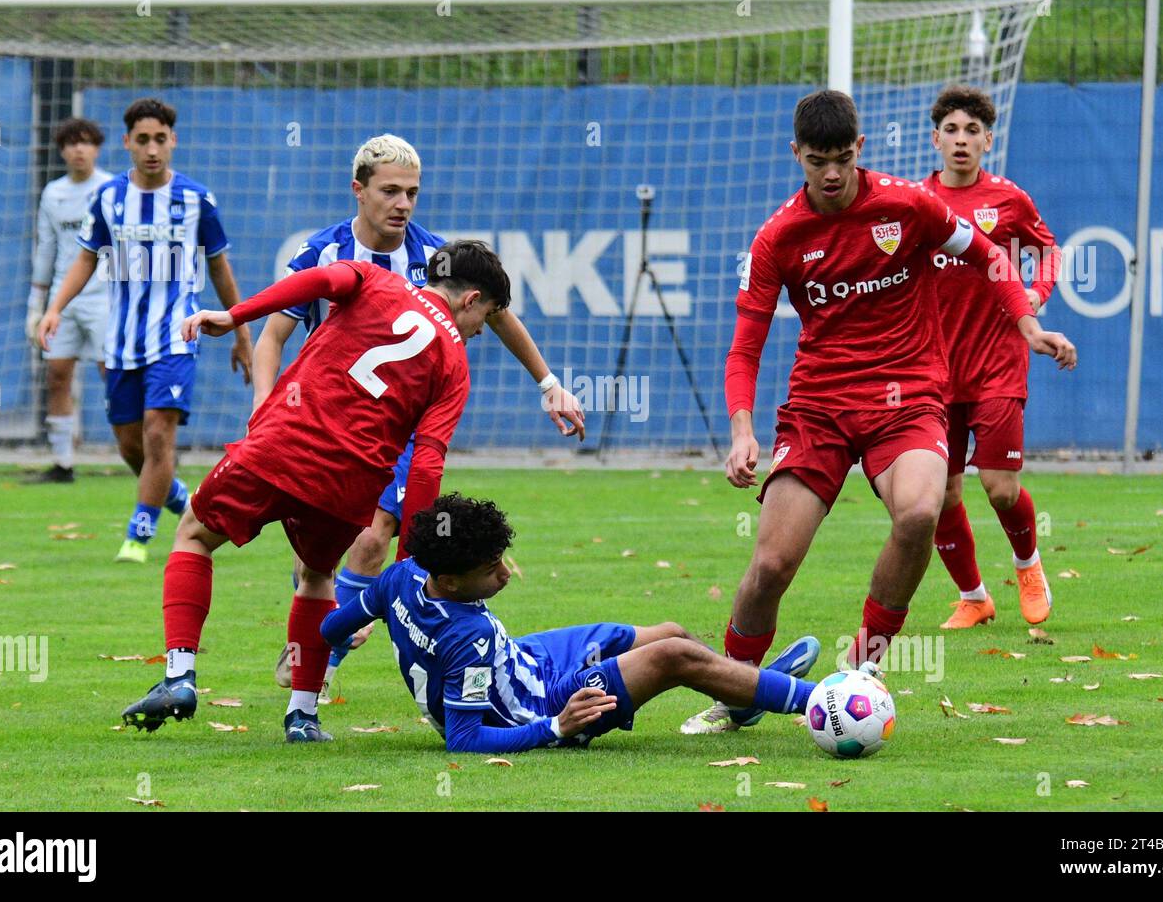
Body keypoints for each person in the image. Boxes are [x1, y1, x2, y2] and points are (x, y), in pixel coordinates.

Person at [682, 89, 1077, 735]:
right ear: (797, 156)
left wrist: (1028, 324)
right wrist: (742, 429)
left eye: (842, 158)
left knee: (920, 511)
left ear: (860, 148)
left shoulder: (907, 204)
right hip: (819, 408)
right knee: (773, 565)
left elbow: (989, 256)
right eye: (817, 161)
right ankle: (735, 689)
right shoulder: (779, 236)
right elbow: (744, 344)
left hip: (908, 398)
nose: (831, 174)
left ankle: (863, 670)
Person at [120, 241, 510, 743]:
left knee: (194, 534)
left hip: (285, 444)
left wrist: (236, 315)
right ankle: (302, 715)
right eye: (488, 317)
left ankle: (179, 675)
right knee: (319, 577)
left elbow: (318, 282)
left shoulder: (377, 280)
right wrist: (415, 561)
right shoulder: (454, 364)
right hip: (351, 483)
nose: (480, 331)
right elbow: (427, 465)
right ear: (470, 299)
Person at [257, 134, 585, 698]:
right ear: (359, 191)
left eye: (412, 192)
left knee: (376, 532)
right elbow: (271, 335)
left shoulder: (438, 260)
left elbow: (497, 312)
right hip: (330, 427)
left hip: (404, 429)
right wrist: (265, 410)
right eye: (391, 191)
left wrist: (549, 383)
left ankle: (324, 658)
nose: (403, 204)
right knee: (319, 562)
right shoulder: (323, 253)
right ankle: (322, 634)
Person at [321, 493, 827, 753]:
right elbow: (464, 740)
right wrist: (557, 726)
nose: (505, 575)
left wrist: (349, 635)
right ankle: (818, 700)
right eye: (490, 569)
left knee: (670, 631)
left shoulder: (402, 576)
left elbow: (330, 628)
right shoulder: (467, 639)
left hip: (526, 660)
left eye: (503, 559)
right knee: (673, 656)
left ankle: (741, 697)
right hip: (545, 702)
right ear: (450, 582)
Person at [36, 97, 254, 563]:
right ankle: (179, 500)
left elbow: (220, 268)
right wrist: (55, 307)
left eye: (160, 139)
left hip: (176, 336)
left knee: (159, 436)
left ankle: (138, 536)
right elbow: (85, 257)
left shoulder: (196, 199)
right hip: (121, 341)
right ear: (127, 144)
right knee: (131, 445)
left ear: (173, 141)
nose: (152, 149)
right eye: (142, 140)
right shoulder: (110, 198)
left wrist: (240, 330)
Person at [923, 85, 1061, 629]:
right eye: (951, 131)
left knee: (1000, 488)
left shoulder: (1008, 199)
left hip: (998, 362)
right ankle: (975, 596)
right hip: (933, 369)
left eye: (972, 131)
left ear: (988, 139)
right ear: (935, 139)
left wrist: (1038, 293)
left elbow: (1048, 251)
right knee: (938, 494)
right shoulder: (917, 203)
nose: (961, 140)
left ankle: (1028, 566)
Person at [25, 118, 112, 483]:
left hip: (105, 298)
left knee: (115, 376)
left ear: (97, 148)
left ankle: (142, 454)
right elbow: (46, 248)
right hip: (63, 300)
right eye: (72, 144)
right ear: (62, 151)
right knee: (57, 375)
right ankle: (63, 462)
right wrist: (37, 304)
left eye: (87, 143)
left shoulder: (111, 189)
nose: (80, 150)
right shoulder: (54, 194)